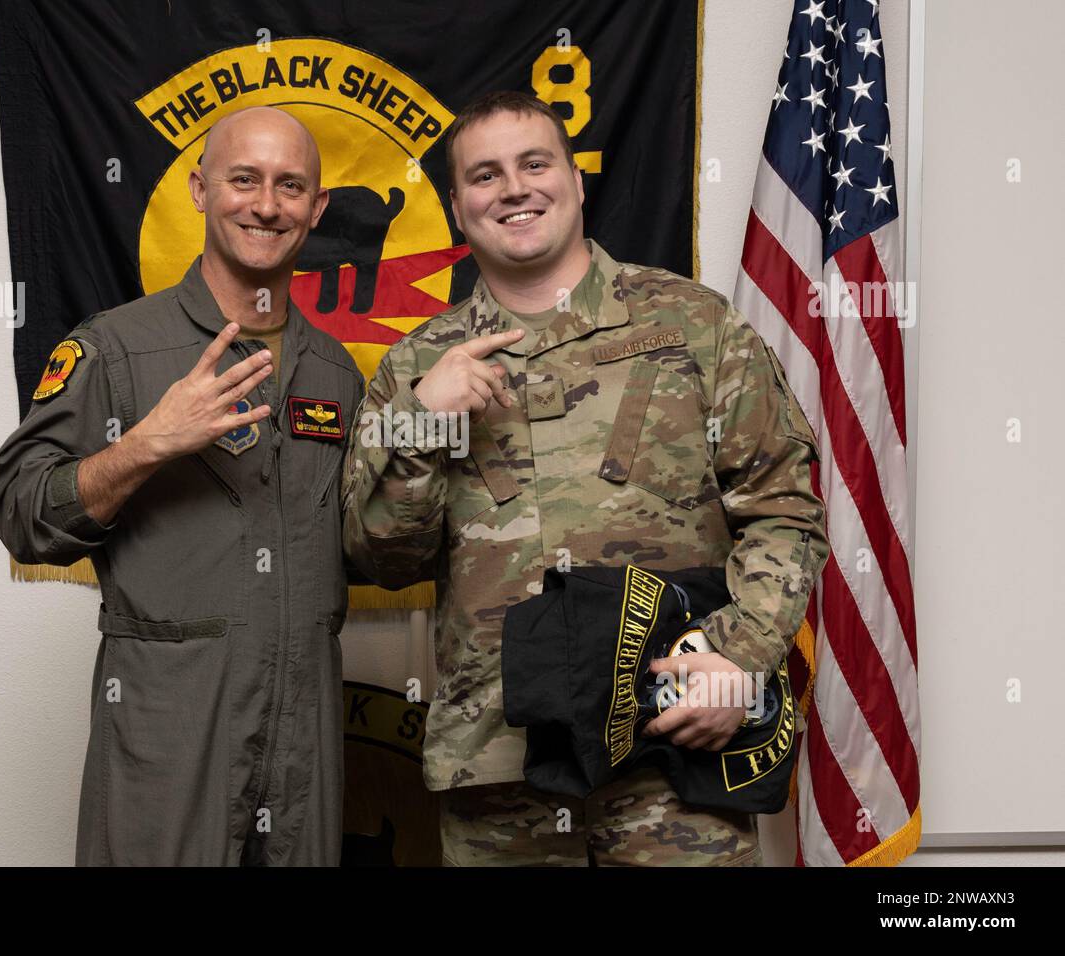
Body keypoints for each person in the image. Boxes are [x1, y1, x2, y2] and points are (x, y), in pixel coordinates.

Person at [341, 91, 829, 866]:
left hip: (671, 751)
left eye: (535, 163)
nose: (514, 188)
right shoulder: (416, 365)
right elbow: (382, 560)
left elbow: (786, 512)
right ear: (459, 207)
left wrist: (740, 657)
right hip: (498, 764)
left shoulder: (696, 325)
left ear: (574, 178)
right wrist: (423, 423)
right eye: (485, 175)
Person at [0, 106, 365, 866]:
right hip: (169, 735)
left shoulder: (337, 373)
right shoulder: (116, 349)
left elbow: (369, 543)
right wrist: (147, 444)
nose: (267, 204)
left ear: (317, 208)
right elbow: (22, 513)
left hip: (306, 746)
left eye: (291, 186)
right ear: (199, 189)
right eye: (244, 179)